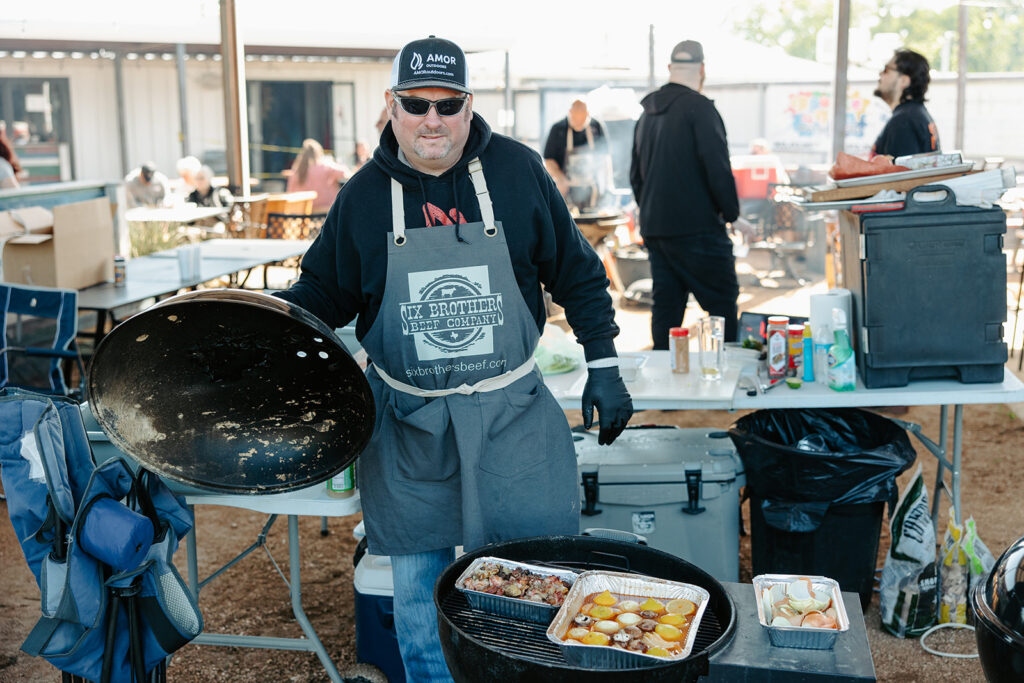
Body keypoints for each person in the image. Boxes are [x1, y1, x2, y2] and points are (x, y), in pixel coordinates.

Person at [276, 35, 633, 682]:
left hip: (510, 418)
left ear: (469, 106)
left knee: (531, 596)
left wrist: (605, 365)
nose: (432, 119)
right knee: (419, 608)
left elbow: (577, 273)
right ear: (392, 106)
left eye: (448, 104)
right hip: (410, 429)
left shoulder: (519, 173)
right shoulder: (361, 197)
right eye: (417, 104)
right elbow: (324, 291)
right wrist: (267, 330)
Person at [630, 39, 741, 348]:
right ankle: (726, 379)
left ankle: (665, 381)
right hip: (698, 230)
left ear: (669, 69)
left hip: (657, 230)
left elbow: (635, 176)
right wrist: (731, 214)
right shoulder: (701, 109)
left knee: (666, 310)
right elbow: (718, 169)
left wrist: (653, 212)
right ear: (703, 70)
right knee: (722, 308)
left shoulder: (646, 116)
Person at [543, 99, 612, 210]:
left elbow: (605, 159)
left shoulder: (597, 126)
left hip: (593, 190)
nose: (579, 126)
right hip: (566, 190)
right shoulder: (557, 129)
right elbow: (549, 161)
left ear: (588, 114)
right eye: (575, 120)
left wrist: (607, 184)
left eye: (582, 121)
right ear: (570, 113)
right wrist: (561, 179)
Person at [872, 48, 940, 158]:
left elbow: (899, 173)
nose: (880, 74)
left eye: (886, 70)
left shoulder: (903, 121)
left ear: (904, 81)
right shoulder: (916, 115)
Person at [285, 139, 350, 212]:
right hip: (326, 212)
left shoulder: (296, 170)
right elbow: (345, 174)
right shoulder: (325, 166)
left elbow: (289, 192)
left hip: (304, 213)